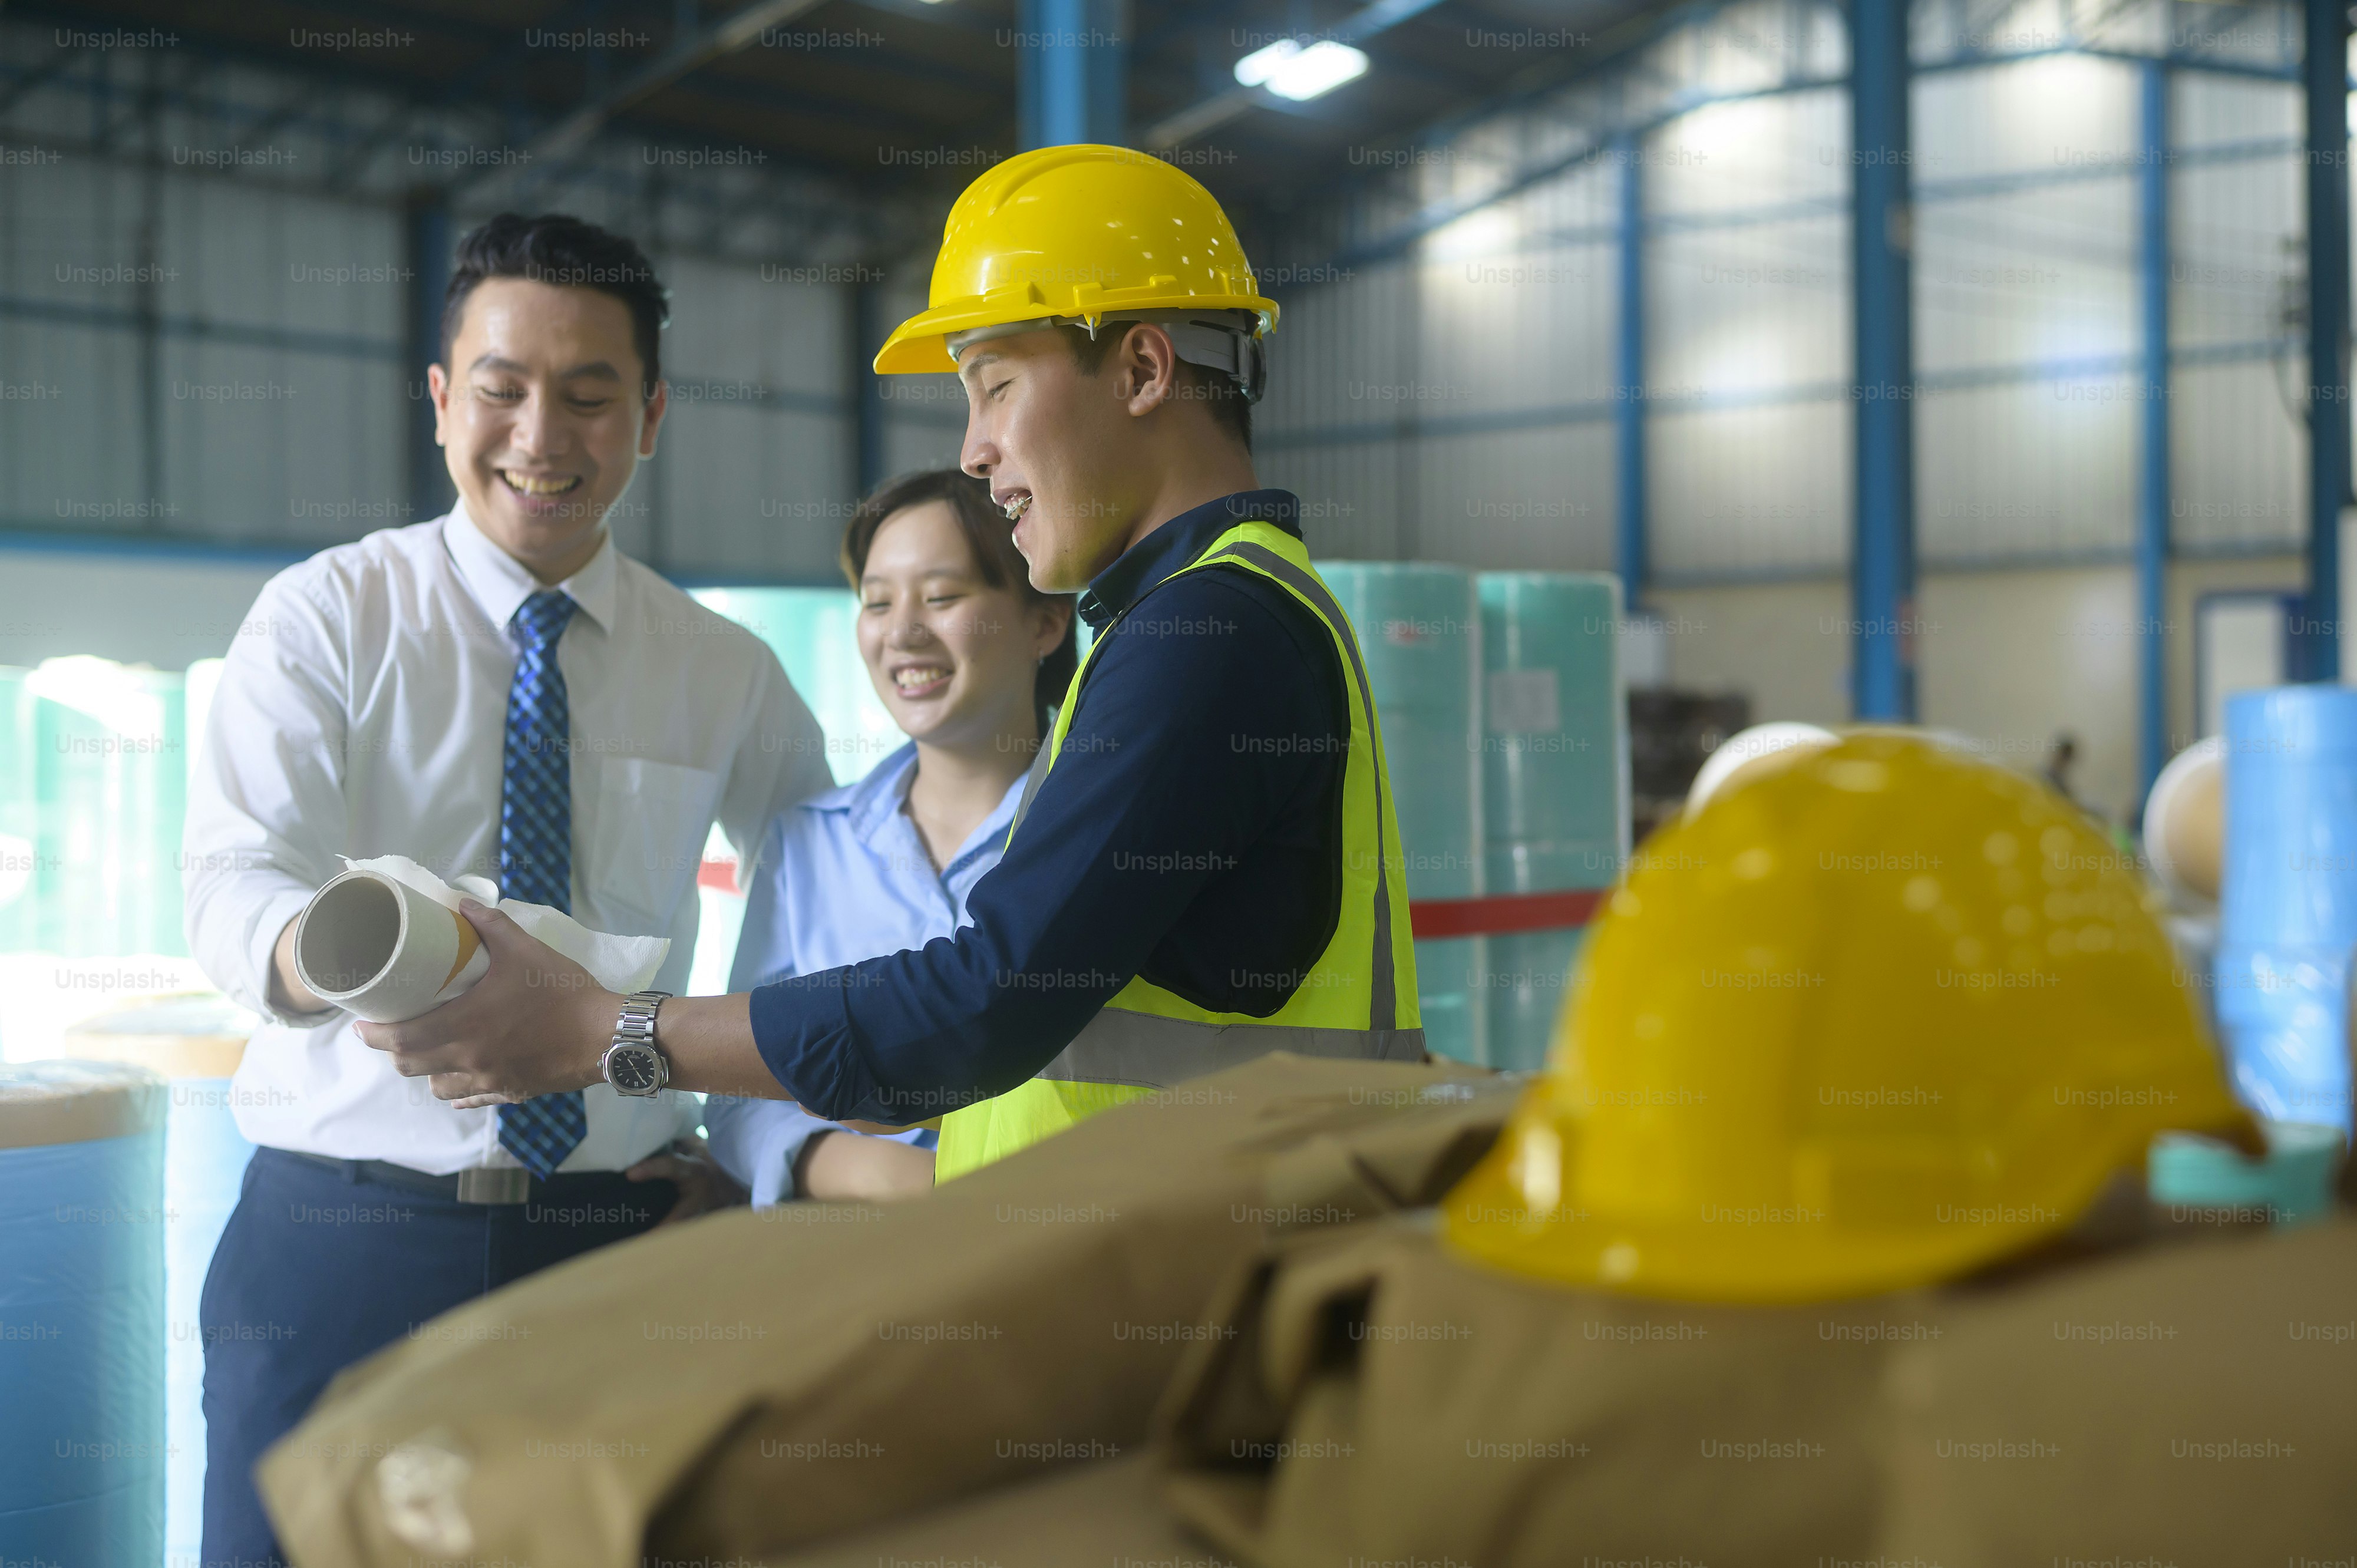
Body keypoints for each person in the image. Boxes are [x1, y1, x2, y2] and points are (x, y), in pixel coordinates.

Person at [360, 145, 1425, 1186]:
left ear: (1144, 369)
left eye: (996, 385)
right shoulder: (1205, 618)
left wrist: (605, 1029)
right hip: (1145, 1278)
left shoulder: (1211, 633)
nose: (973, 449)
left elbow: (982, 1005)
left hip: (1187, 1295)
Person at [181, 213, 830, 1567]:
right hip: (342, 1236)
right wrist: (342, 960)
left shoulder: (723, 671)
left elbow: (823, 914)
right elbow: (237, 874)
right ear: (440, 402)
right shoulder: (328, 616)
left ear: (650, 416)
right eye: (503, 388)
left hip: (613, 1240)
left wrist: (766, 1159)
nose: (543, 433)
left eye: (591, 394)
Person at [705, 468, 1075, 1202]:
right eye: (877, 602)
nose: (902, 631)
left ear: (1044, 622)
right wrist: (894, 1175)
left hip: (1068, 1244)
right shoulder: (808, 844)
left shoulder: (1100, 826)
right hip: (851, 1263)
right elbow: (739, 1093)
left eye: (941, 597)